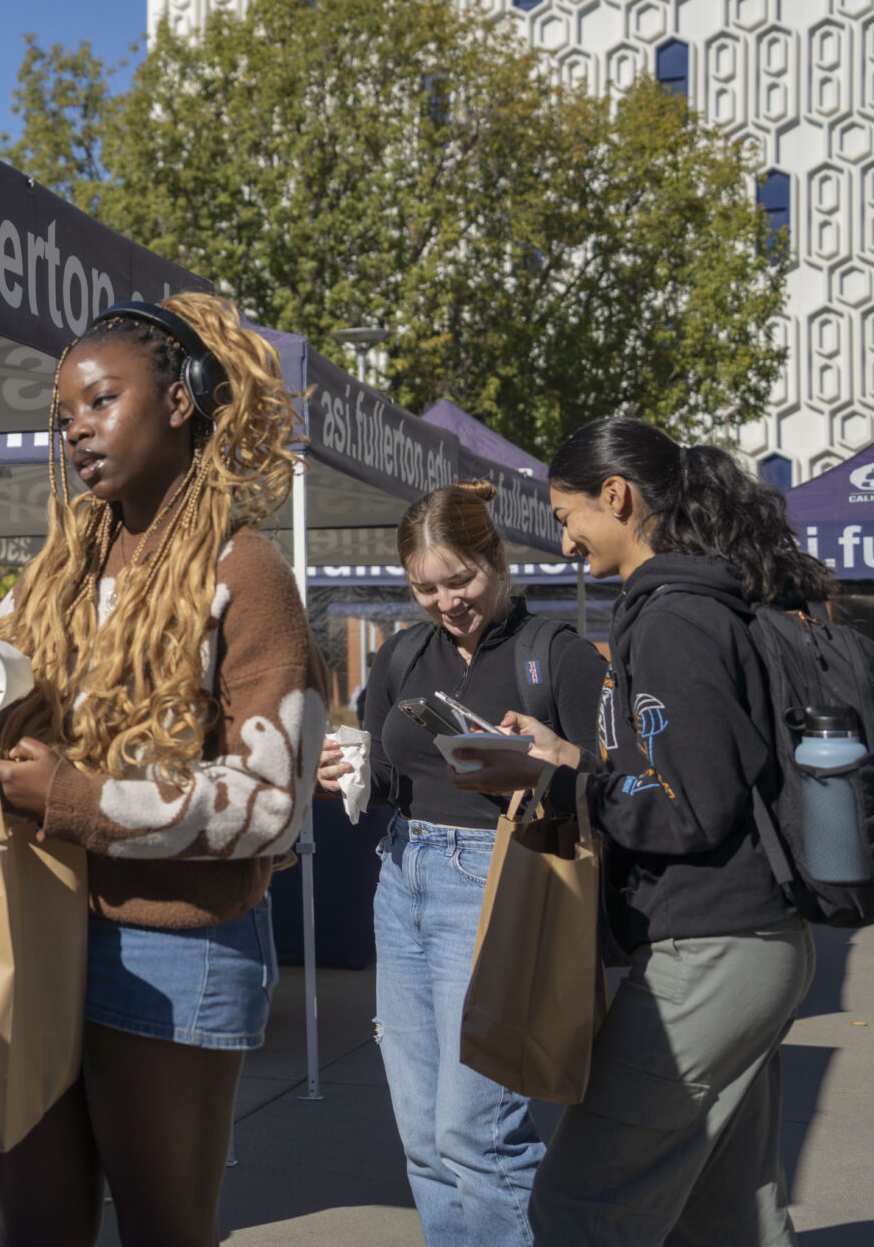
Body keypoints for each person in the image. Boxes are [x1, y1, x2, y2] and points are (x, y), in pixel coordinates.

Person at [0, 295, 328, 1247]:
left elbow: (273, 804)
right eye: (64, 412)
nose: (75, 426)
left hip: (174, 948)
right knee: (34, 1225)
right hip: (41, 924)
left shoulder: (248, 572)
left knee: (165, 1230)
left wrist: (75, 799)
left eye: (101, 400)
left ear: (185, 399)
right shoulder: (57, 569)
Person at [452, 417, 825, 1247]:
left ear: (615, 496)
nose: (563, 540)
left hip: (711, 945)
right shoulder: (694, 607)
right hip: (741, 938)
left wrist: (553, 779)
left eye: (566, 514)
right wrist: (575, 758)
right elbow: (681, 774)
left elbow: (686, 807)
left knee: (579, 1208)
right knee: (724, 1218)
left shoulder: (673, 618)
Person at [316, 482, 607, 1245]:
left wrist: (557, 756)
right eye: (425, 586)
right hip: (403, 873)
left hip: (499, 881)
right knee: (424, 1138)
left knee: (479, 1134)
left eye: (460, 579)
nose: (446, 600)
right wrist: (348, 768)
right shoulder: (405, 651)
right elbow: (385, 772)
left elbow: (615, 784)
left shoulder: (559, 654)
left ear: (498, 559)